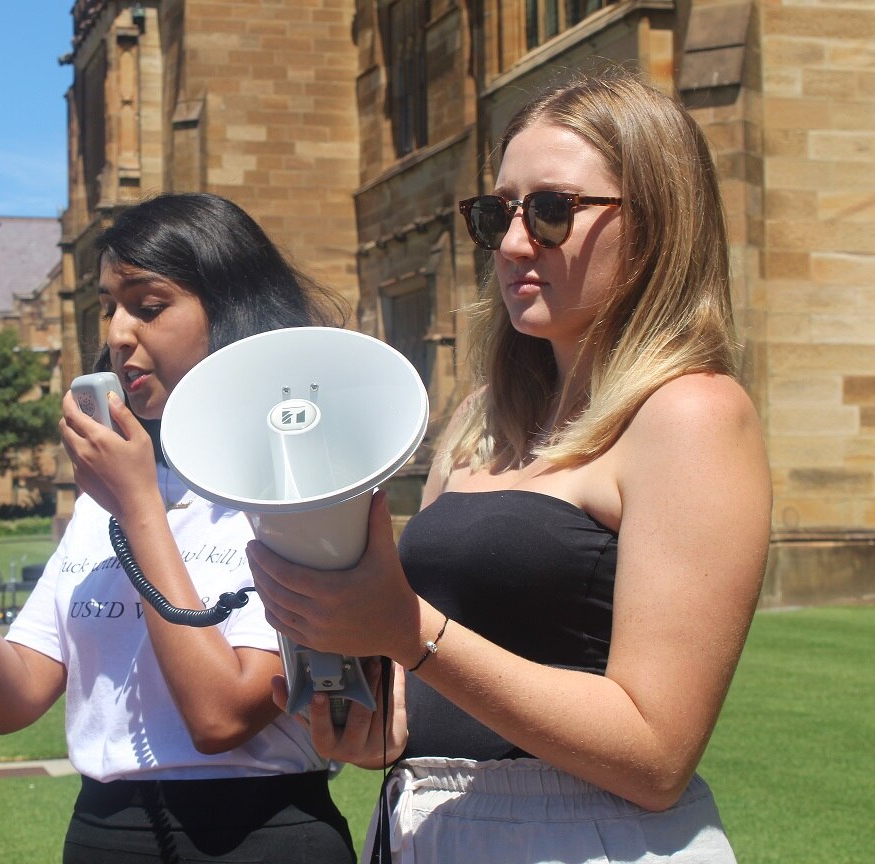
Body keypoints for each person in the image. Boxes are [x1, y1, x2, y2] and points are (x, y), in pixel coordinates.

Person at [247, 71, 771, 863]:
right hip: (423, 825)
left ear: (659, 221)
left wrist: (406, 630)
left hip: (587, 837)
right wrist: (388, 720)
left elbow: (657, 756)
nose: (517, 241)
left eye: (555, 211)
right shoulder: (482, 416)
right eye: (499, 214)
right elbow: (466, 663)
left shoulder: (690, 412)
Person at [0, 192, 356, 863]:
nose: (118, 333)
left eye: (148, 306)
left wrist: (137, 509)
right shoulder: (113, 490)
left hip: (255, 832)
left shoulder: (290, 487)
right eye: (108, 307)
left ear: (229, 309)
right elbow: (10, 699)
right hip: (105, 831)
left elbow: (221, 716)